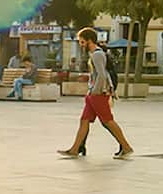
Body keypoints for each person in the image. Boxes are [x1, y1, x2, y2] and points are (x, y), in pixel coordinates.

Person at [58, 27, 135, 160]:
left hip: (98, 94)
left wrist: (95, 91)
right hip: (93, 93)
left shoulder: (97, 54)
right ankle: (75, 149)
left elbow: (102, 75)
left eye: (82, 42)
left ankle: (126, 147)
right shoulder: (95, 54)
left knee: (108, 121)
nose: (81, 45)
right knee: (84, 120)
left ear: (89, 41)